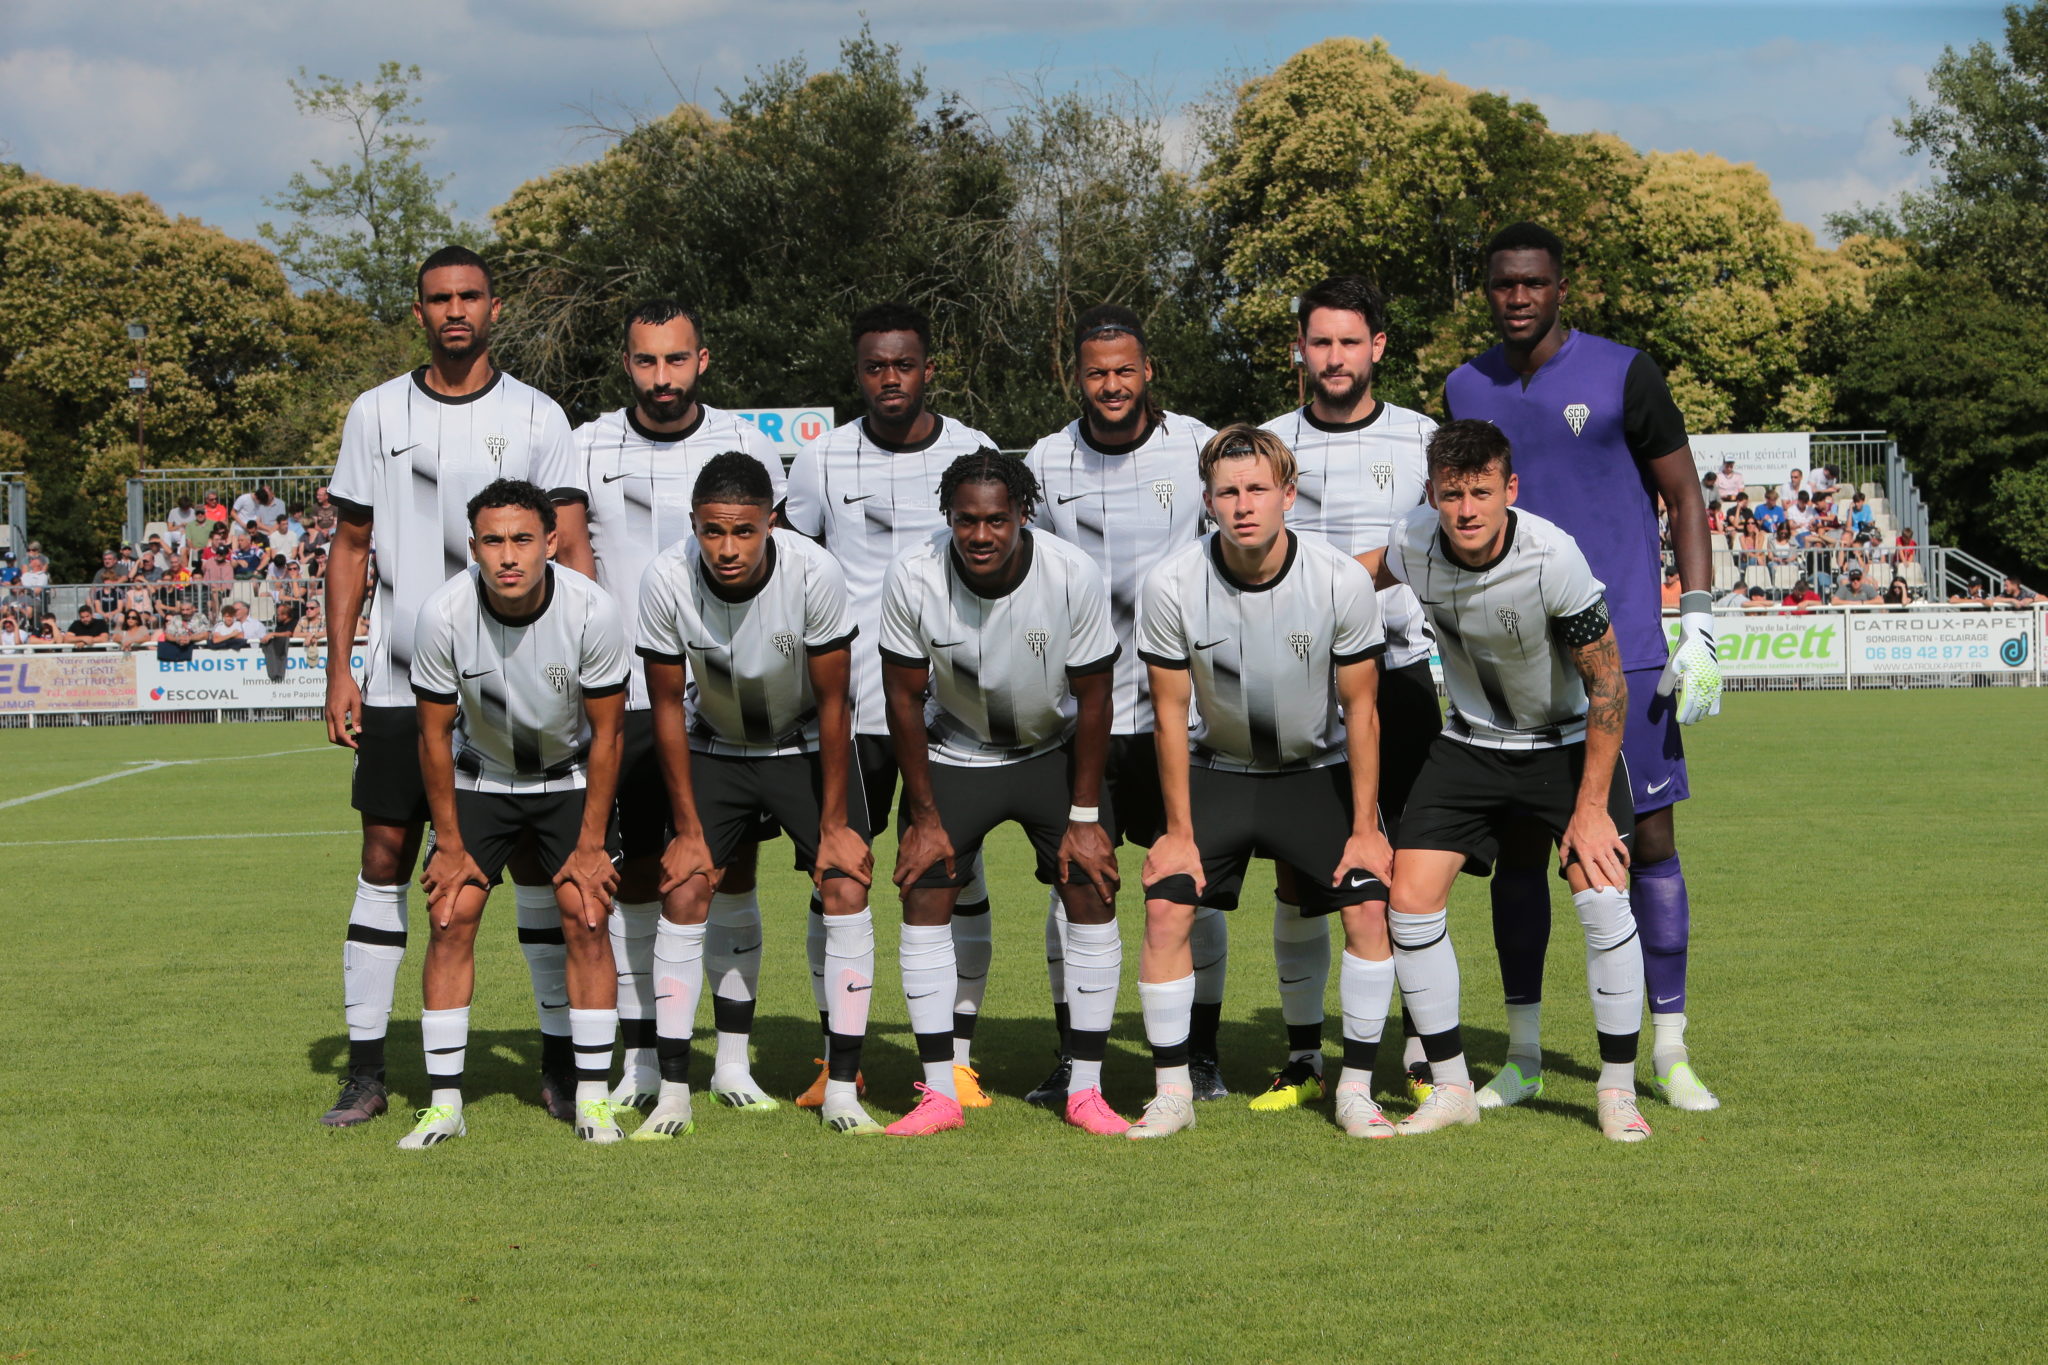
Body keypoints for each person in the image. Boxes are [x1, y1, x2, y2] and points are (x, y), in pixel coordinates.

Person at [1445, 221, 1720, 1114]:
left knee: (1648, 841)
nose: (1517, 297)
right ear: (1488, 291)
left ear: (1563, 286)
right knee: (1524, 845)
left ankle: (1669, 1050)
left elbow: (1682, 494)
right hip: (1515, 661)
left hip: (1628, 645)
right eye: (1502, 284)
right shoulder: (1465, 385)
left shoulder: (1624, 372)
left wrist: (1701, 624)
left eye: (1533, 282)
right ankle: (1522, 1053)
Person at [318, 244, 590, 1130]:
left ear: (494, 307)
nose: (455, 311)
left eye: (470, 296)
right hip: (403, 683)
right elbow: (351, 547)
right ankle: (365, 1071)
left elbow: (573, 548)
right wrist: (338, 666)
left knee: (549, 875)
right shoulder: (374, 412)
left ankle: (559, 1066)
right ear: (419, 312)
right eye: (439, 298)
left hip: (528, 688)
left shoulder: (539, 414)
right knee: (387, 860)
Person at [1354, 419, 1650, 1142]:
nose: (1466, 509)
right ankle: (1451, 1083)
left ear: (1508, 489)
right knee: (1410, 899)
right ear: (1431, 493)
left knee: (1603, 893)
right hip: (1470, 745)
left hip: (1568, 744)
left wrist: (1587, 809)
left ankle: (1616, 1089)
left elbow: (1609, 686)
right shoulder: (1414, 540)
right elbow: (1354, 574)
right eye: (1451, 493)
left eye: (1481, 491)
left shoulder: (1554, 557)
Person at [1126, 425, 1392, 1141]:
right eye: (1228, 491)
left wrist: (1367, 828)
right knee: (1165, 906)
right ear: (1207, 502)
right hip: (1221, 774)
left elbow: (1363, 709)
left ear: (1288, 494)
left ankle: (1356, 1091)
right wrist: (1178, 833)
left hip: (1315, 775)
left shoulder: (1340, 578)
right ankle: (1172, 1090)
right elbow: (1169, 714)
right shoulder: (1172, 584)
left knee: (1369, 907)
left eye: (1257, 489)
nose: (1244, 504)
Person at [563, 298, 791, 1115]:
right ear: (627, 364)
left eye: (676, 359)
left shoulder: (746, 444)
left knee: (729, 874)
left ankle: (731, 1060)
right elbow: (572, 568)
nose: (662, 378)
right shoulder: (585, 444)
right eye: (646, 361)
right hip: (622, 695)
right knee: (633, 884)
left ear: (704, 360)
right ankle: (644, 1060)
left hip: (726, 702)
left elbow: (778, 561)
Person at [781, 303, 1007, 1109]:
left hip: (950, 711)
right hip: (846, 713)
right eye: (875, 367)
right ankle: (833, 1054)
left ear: (927, 370)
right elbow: (792, 565)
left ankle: (958, 1060)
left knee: (954, 871)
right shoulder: (823, 460)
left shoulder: (971, 452)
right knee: (834, 873)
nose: (889, 379)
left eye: (903, 365)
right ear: (859, 373)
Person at [630, 453, 880, 1138]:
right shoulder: (664, 577)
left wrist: (833, 822)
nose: (729, 547)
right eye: (713, 531)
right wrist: (684, 826)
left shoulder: (814, 571)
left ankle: (842, 1088)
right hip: (713, 746)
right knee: (683, 887)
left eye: (744, 530)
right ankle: (676, 1093)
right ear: (694, 525)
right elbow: (663, 710)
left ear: (771, 521)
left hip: (803, 745)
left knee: (845, 882)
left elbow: (835, 701)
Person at [878, 451, 1127, 1137]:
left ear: (1023, 514)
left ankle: (1087, 1088)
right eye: (965, 520)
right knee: (924, 883)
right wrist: (924, 816)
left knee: (1091, 884)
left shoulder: (1071, 572)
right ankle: (938, 1092)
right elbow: (902, 698)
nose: (980, 535)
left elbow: (1095, 697)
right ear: (947, 518)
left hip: (1053, 754)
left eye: (995, 520)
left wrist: (1083, 817)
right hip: (955, 754)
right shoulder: (914, 575)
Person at [1020, 304, 1217, 1107]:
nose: (1110, 384)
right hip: (1081, 718)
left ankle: (1199, 1054)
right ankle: (1076, 1054)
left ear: (1148, 371)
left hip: (1183, 712)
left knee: (1188, 880)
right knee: (1077, 884)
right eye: (1096, 371)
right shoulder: (1044, 457)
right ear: (1078, 375)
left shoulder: (1195, 444)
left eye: (1123, 369)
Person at [1256, 274, 1443, 1112]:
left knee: (1405, 871)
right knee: (1300, 876)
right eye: (1319, 342)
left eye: (1348, 341)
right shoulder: (1264, 443)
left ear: (1378, 349)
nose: (1333, 357)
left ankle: (1415, 1045)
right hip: (1289, 681)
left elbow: (1442, 548)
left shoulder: (1420, 440)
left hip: (1397, 677)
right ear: (1301, 348)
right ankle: (1302, 1056)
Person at [400, 479, 628, 1149]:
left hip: (570, 777)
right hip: (483, 778)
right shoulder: (442, 613)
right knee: (449, 913)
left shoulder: (592, 610)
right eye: (493, 540)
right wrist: (446, 841)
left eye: (522, 539)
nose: (508, 555)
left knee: (587, 915)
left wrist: (589, 845)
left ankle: (593, 1100)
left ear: (551, 542)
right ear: (472, 546)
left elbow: (609, 736)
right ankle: (445, 1104)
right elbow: (433, 736)